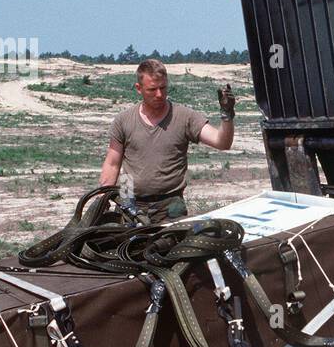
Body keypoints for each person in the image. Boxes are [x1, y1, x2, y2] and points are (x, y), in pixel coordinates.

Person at [98, 58, 236, 223]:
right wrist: (102, 201)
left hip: (169, 205)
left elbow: (222, 142)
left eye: (163, 88)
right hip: (129, 202)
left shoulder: (184, 117)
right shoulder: (124, 120)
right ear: (138, 89)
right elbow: (112, 164)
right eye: (152, 89)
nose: (159, 94)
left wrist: (227, 114)